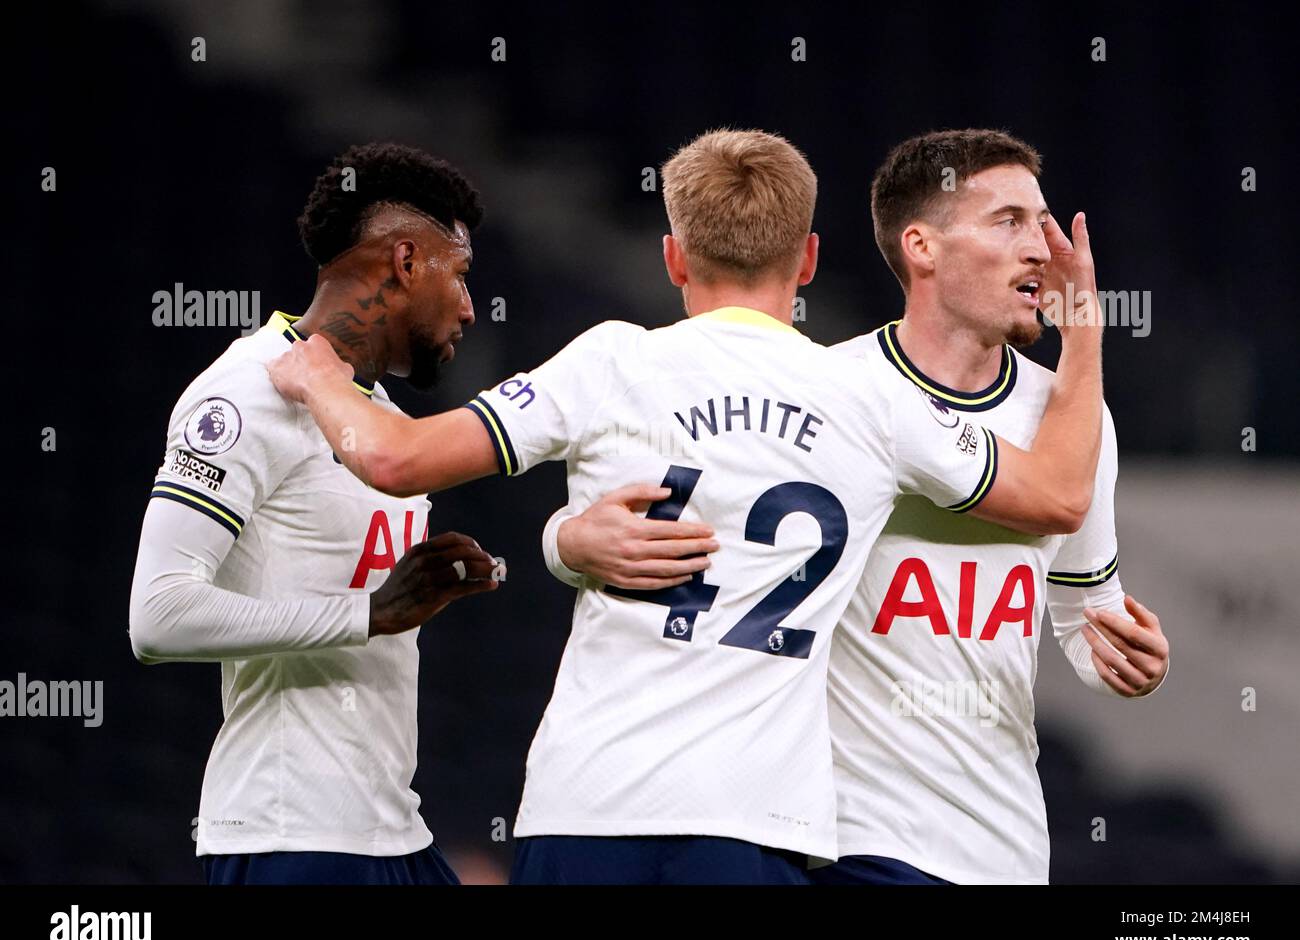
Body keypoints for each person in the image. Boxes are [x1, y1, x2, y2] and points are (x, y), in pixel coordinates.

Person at [268, 128, 1106, 884]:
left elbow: (391, 456)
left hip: (584, 809)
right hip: (752, 825)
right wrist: (1083, 328)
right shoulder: (870, 399)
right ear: (809, 259)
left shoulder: (610, 361)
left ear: (673, 257)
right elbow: (1060, 494)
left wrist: (320, 377)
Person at [544, 129, 1169, 885]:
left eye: (1043, 222)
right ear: (922, 247)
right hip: (851, 836)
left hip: (1003, 842)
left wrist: (1122, 658)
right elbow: (685, 524)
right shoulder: (826, 393)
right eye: (1009, 221)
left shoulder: (1074, 422)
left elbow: (1080, 611)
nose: (1044, 247)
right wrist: (567, 538)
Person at [128, 142, 499, 885]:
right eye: (458, 274)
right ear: (404, 262)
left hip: (391, 831)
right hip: (291, 835)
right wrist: (368, 613)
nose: (467, 304)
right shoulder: (240, 395)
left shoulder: (379, 419)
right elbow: (157, 614)